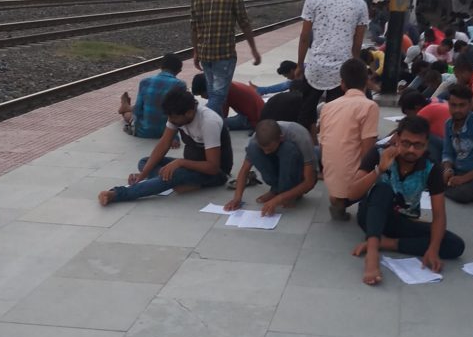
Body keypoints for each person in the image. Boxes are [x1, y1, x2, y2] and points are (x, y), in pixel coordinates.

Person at [347, 116, 465, 286]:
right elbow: (352, 194)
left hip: (401, 220)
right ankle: (372, 253)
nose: (411, 150)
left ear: (426, 144)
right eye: (405, 143)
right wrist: (379, 170)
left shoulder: (431, 168)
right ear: (396, 139)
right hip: (371, 216)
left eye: (418, 145)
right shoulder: (379, 152)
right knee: (383, 189)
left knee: (455, 245)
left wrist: (433, 249)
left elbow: (439, 215)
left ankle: (386, 243)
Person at [98, 88, 232, 205]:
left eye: (173, 118)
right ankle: (179, 182)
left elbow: (213, 167)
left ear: (189, 113)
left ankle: (118, 194)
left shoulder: (209, 122)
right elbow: (164, 144)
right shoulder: (176, 116)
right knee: (144, 162)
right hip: (190, 166)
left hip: (216, 173)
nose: (170, 120)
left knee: (174, 174)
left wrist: (180, 163)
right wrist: (143, 176)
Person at [297, 0, 368, 131]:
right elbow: (357, 45)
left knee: (305, 114)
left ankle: (308, 149)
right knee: (336, 118)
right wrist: (355, 66)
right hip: (341, 72)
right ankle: (328, 151)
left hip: (315, 67)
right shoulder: (359, 3)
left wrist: (299, 64)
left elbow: (304, 37)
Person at [190, 0, 261, 116]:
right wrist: (253, 49)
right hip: (224, 54)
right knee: (218, 96)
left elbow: (194, 24)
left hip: (206, 53)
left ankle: (216, 130)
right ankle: (200, 124)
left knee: (215, 94)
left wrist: (196, 51)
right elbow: (244, 21)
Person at [319, 58, 379, 220]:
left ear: (342, 84)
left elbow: (323, 142)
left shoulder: (327, 107)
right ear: (367, 81)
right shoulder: (369, 106)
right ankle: (350, 199)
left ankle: (338, 197)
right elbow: (368, 150)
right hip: (352, 181)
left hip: (330, 174)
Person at [225, 119, 317, 216]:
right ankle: (276, 189)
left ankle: (287, 192)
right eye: (263, 150)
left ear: (281, 138)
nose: (266, 153)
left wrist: (279, 199)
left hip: (299, 171)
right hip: (279, 165)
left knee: (288, 149)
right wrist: (237, 198)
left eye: (270, 149)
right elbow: (244, 170)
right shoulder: (256, 139)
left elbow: (309, 182)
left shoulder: (299, 136)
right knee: (252, 148)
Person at [118, 53, 185, 138]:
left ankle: (126, 108)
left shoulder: (145, 81)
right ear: (179, 70)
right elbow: (178, 112)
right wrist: (174, 137)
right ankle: (126, 107)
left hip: (143, 131)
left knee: (132, 115)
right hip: (167, 132)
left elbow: (138, 110)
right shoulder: (180, 85)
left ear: (161, 66)